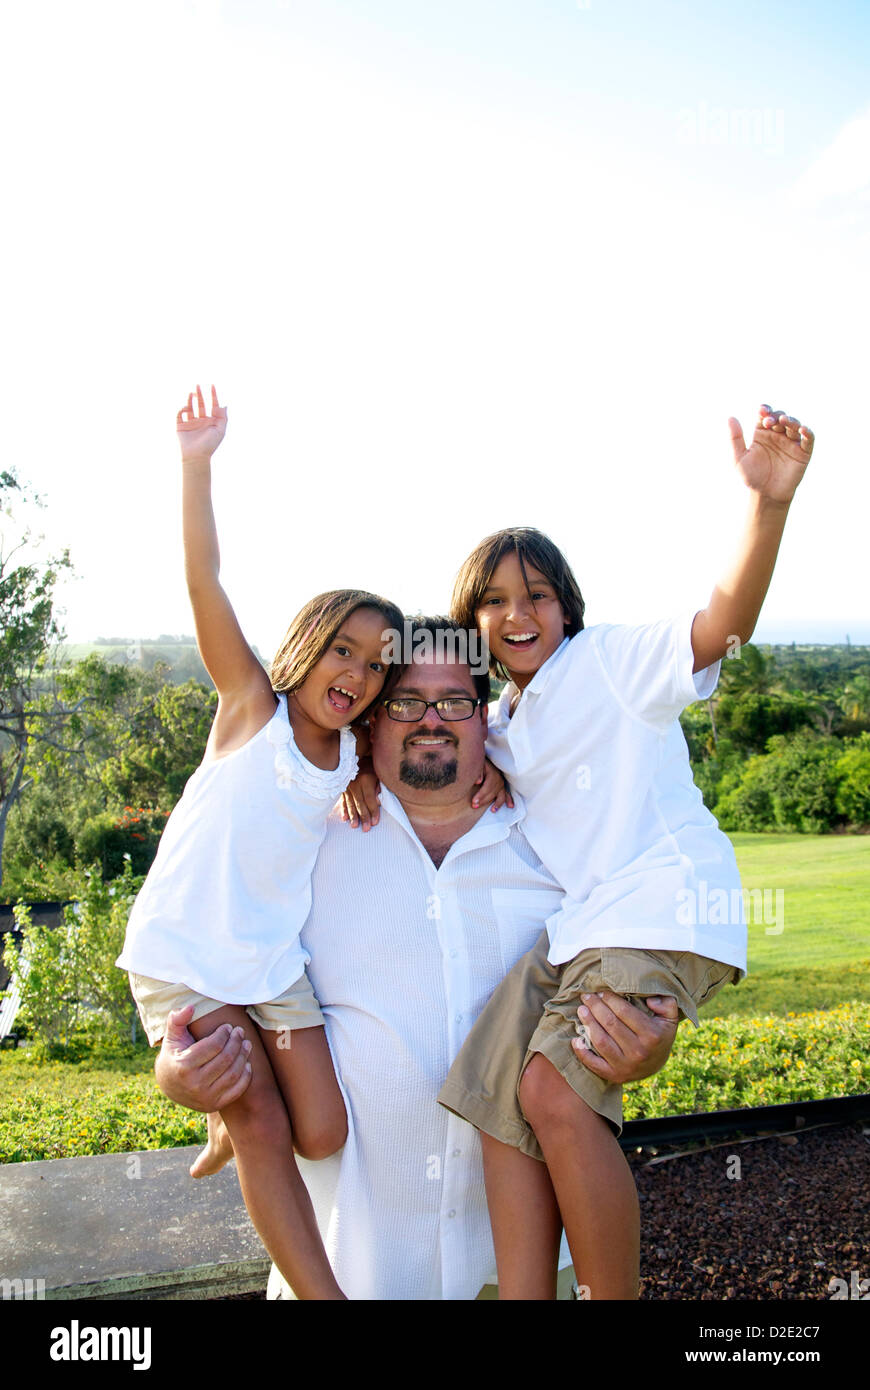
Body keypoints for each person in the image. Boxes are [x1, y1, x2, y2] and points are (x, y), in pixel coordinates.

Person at [154, 625, 681, 1299]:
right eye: (407, 701)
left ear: (485, 720)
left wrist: (643, 1045)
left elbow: (627, 972)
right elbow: (213, 968)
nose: (431, 719)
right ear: (372, 719)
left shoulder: (559, 845)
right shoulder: (303, 840)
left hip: (521, 1275)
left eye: (454, 701)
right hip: (353, 1268)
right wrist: (180, 1073)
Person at [436, 405, 815, 1298]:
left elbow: (723, 625)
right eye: (494, 601)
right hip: (587, 926)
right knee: (492, 1093)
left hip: (663, 905)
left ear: (567, 606)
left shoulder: (609, 663)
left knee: (555, 1096)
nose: (517, 614)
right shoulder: (498, 725)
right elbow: (422, 737)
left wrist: (766, 507)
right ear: (470, 622)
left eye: (536, 595)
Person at [115, 384, 406, 1300]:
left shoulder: (352, 756)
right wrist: (196, 464)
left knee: (322, 1131)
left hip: (272, 966)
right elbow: (205, 583)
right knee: (269, 1131)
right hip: (194, 954)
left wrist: (372, 772)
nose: (356, 673)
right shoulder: (251, 707)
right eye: (343, 650)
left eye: (375, 662)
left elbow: (446, 745)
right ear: (309, 644)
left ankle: (228, 1124)